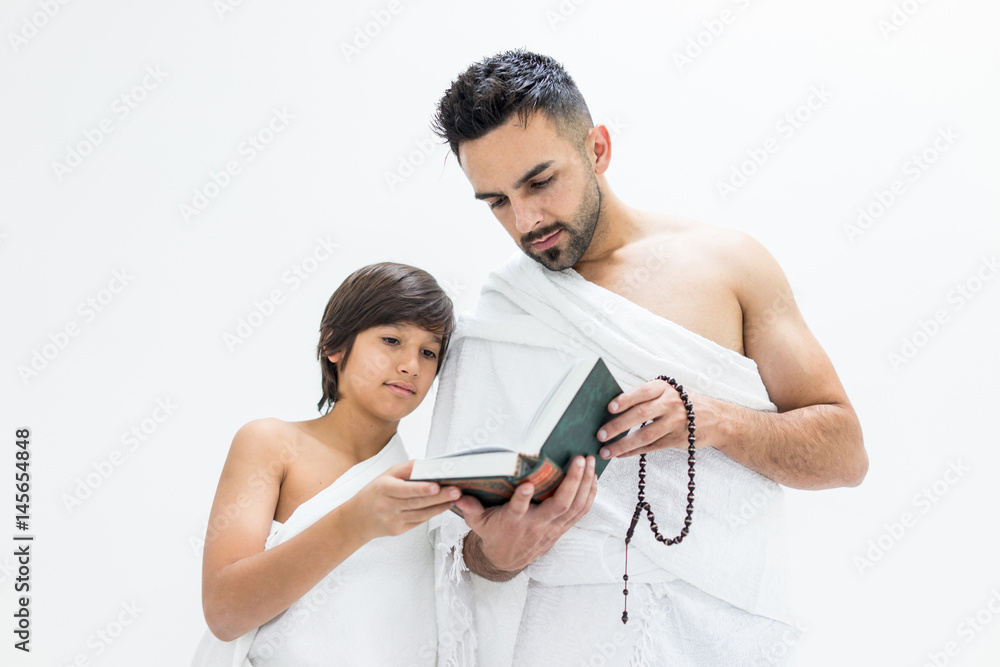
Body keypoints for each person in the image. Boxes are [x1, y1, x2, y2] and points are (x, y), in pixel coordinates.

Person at [426, 50, 868, 666]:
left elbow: (845, 455)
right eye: (497, 201)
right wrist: (498, 554)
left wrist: (712, 421)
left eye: (540, 181)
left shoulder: (728, 265)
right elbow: (457, 549)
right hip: (561, 640)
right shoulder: (502, 313)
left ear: (598, 149)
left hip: (721, 632)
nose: (525, 220)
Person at [191, 262, 457, 666]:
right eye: (391, 339)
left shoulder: (421, 490)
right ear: (334, 344)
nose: (411, 365)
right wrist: (356, 521)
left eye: (428, 351)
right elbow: (225, 614)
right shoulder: (271, 444)